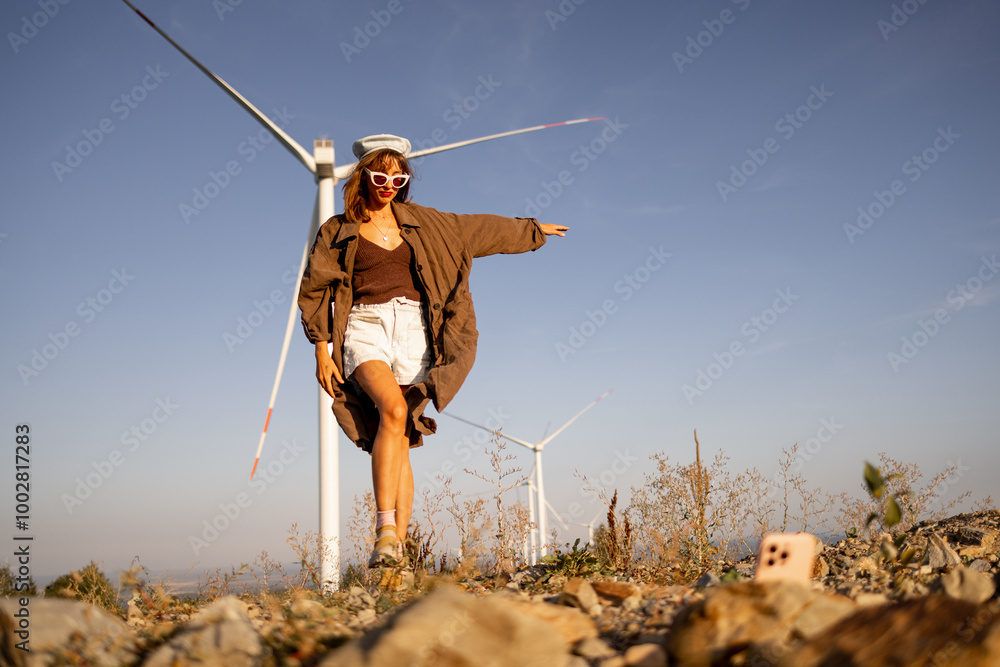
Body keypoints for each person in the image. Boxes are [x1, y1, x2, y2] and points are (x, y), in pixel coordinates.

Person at [298, 134, 567, 567]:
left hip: (417, 332)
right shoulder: (337, 229)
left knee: (400, 431)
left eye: (398, 175)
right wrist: (321, 351)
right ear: (363, 175)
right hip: (365, 327)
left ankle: (394, 553)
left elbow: (480, 229)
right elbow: (315, 290)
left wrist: (533, 231)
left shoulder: (428, 223)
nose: (389, 182)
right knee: (391, 408)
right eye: (380, 174)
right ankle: (385, 530)